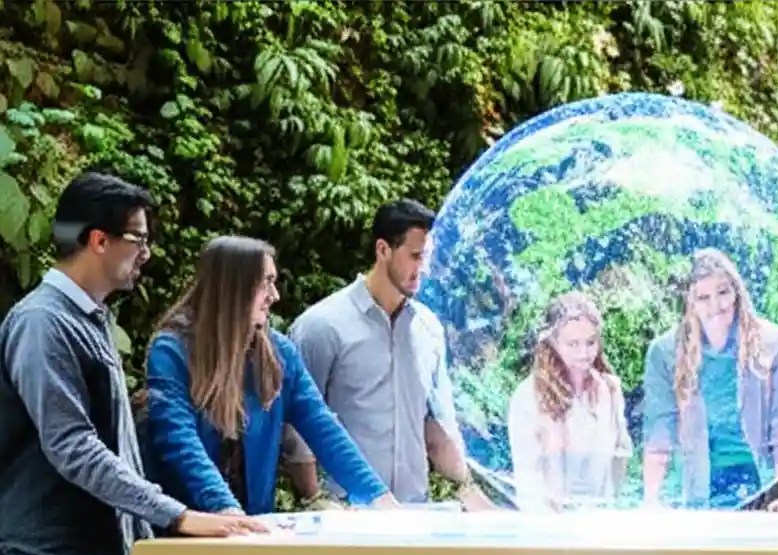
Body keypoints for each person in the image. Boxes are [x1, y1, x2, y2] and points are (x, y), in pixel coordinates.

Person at [0, 173, 267, 555]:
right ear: (98, 240)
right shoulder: (43, 324)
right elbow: (72, 446)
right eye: (139, 239)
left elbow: (114, 445)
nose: (146, 253)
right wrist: (177, 515)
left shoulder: (88, 320)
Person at [144, 235, 396, 516]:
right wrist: (225, 509)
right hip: (183, 532)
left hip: (253, 529)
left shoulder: (279, 353)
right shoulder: (172, 351)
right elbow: (178, 439)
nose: (274, 296)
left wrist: (378, 497)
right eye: (265, 283)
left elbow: (323, 428)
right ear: (233, 288)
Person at [282, 199, 493, 510]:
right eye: (415, 256)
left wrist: (467, 486)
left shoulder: (428, 329)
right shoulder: (321, 327)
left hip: (414, 513)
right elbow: (296, 427)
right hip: (346, 515)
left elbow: (436, 423)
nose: (425, 267)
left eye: (429, 256)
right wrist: (316, 500)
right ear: (382, 250)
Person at [641, 248, 778, 511]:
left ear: (737, 292)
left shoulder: (773, 343)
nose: (715, 306)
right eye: (703, 297)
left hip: (760, 486)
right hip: (694, 488)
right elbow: (660, 427)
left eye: (723, 292)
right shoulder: (665, 351)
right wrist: (651, 499)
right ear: (689, 302)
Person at [507, 291, 631, 510]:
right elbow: (528, 474)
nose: (583, 353)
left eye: (590, 342)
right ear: (553, 344)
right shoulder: (529, 397)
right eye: (573, 344)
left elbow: (619, 458)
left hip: (599, 522)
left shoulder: (610, 390)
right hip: (547, 524)